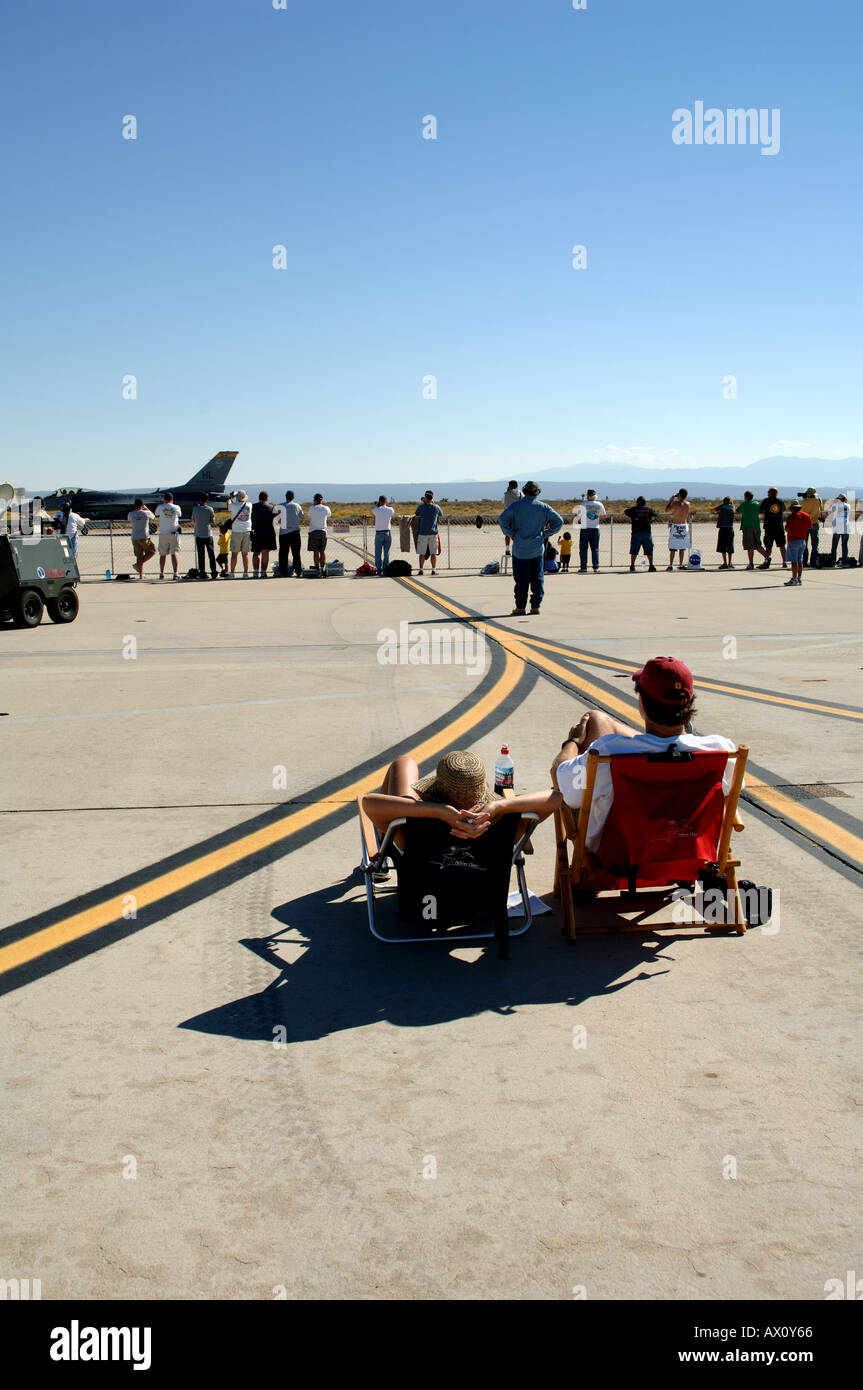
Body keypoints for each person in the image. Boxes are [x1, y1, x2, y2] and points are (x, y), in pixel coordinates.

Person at [550, 656, 738, 852]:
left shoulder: (609, 753)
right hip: (689, 852)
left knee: (584, 784)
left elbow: (562, 784)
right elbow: (730, 791)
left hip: (618, 856)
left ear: (642, 704)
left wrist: (572, 742)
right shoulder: (721, 750)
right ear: (689, 702)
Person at [362, 749, 559, 853]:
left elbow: (368, 802)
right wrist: (498, 806)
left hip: (423, 889)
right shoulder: (508, 828)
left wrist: (438, 811)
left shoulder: (406, 827)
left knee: (403, 762)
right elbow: (556, 797)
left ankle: (381, 851)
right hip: (481, 900)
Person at [499, 481, 563, 615]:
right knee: (537, 578)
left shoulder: (515, 506)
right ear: (537, 492)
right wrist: (546, 533)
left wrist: (511, 533)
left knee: (521, 579)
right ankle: (535, 606)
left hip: (520, 549)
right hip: (537, 549)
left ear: (524, 491)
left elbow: (502, 519)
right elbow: (559, 521)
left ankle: (520, 607)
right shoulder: (543, 507)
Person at [623, 496, 658, 572]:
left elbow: (625, 511)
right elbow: (655, 513)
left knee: (634, 550)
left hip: (636, 533)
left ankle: (632, 565)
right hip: (646, 533)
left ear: (637, 502)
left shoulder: (633, 510)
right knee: (649, 550)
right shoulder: (648, 510)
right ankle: (651, 565)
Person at [575, 489, 606, 572]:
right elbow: (603, 515)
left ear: (588, 496)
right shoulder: (599, 504)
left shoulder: (584, 504)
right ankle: (596, 567)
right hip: (595, 528)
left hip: (585, 528)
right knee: (595, 548)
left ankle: (583, 567)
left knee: (583, 548)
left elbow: (578, 515)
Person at [154, 491, 182, 581]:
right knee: (174, 553)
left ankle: (161, 573)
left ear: (164, 499)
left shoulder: (160, 507)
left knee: (162, 554)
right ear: (172, 499)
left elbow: (156, 514)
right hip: (174, 533)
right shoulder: (176, 507)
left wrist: (163, 505)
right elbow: (179, 515)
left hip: (163, 533)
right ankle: (175, 573)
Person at [414, 490, 443, 577]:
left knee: (422, 552)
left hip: (422, 532)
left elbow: (416, 514)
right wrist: (433, 503)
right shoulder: (436, 507)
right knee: (433, 553)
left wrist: (424, 503)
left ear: (425, 498)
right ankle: (433, 570)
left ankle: (421, 570)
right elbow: (441, 514)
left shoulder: (421, 507)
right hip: (433, 533)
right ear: (432, 498)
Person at [735, 490, 766, 570]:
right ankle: (767, 557)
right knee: (758, 545)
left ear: (745, 497)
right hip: (756, 526)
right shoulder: (756, 504)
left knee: (750, 546)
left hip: (747, 526)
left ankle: (751, 563)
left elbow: (737, 510)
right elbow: (761, 510)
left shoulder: (744, 504)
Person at [783, 501, 811, 587]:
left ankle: (794, 578)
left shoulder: (792, 517)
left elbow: (787, 528)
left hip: (793, 540)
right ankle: (799, 578)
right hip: (802, 540)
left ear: (793, 508)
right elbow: (809, 526)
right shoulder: (806, 515)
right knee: (800, 560)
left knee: (794, 561)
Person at [251, 491, 278, 578]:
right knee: (265, 553)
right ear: (266, 498)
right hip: (268, 532)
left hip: (256, 532)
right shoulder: (271, 507)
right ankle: (263, 572)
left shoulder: (253, 507)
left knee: (256, 553)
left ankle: (255, 572)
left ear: (259, 498)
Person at [128, 497, 156, 578]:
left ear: (134, 505)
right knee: (152, 551)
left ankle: (141, 573)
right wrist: (146, 508)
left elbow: (129, 519)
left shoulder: (131, 514)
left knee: (139, 556)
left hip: (134, 537)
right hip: (144, 537)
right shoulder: (146, 513)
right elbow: (154, 517)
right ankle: (138, 566)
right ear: (142, 505)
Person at [191, 492, 217, 580]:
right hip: (208, 533)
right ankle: (213, 571)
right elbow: (212, 521)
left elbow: (193, 519)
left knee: (201, 555)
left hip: (199, 533)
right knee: (211, 553)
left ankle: (202, 571)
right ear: (207, 500)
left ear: (200, 499)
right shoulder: (210, 509)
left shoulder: (195, 509)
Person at [758, 488, 786, 569]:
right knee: (782, 545)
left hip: (769, 526)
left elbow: (760, 510)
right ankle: (784, 562)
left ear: (770, 493)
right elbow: (783, 509)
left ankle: (767, 561)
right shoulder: (780, 501)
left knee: (768, 545)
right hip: (779, 526)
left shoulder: (766, 501)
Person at [278, 490, 304, 578]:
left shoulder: (281, 506)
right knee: (296, 553)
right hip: (295, 532)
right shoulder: (297, 505)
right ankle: (298, 570)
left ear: (286, 497)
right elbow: (301, 517)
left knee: (283, 553)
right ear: (293, 497)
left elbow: (276, 519)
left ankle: (283, 571)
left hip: (284, 532)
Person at [665, 489, 692, 570]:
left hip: (676, 525)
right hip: (684, 525)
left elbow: (667, 510)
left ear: (679, 495)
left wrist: (670, 501)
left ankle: (670, 565)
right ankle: (680, 564)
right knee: (682, 547)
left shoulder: (675, 504)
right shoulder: (688, 504)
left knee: (673, 547)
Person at [228, 490, 253, 577]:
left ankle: (232, 573)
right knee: (245, 553)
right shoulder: (249, 505)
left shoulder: (233, 506)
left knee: (234, 553)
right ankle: (246, 572)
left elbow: (228, 504)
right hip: (247, 530)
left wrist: (231, 497)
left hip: (236, 531)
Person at [308, 493, 331, 576]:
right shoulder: (326, 508)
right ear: (321, 500)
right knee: (322, 551)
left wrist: (314, 505)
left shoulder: (312, 508)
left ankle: (317, 568)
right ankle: (322, 568)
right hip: (323, 531)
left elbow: (309, 514)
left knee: (315, 552)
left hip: (314, 531)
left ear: (315, 500)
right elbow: (329, 514)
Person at [799, 488, 822, 568]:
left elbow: (801, 512)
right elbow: (816, 511)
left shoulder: (803, 502)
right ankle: (814, 561)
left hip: (805, 524)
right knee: (815, 544)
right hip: (814, 523)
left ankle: (804, 561)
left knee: (804, 543)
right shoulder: (817, 501)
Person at [826, 494, 851, 566]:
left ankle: (832, 562)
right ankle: (844, 562)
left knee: (834, 546)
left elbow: (829, 512)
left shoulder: (835, 505)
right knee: (844, 546)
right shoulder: (848, 506)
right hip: (845, 528)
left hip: (837, 528)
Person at [373, 494, 395, 575]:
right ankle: (385, 570)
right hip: (387, 532)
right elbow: (392, 512)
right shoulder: (390, 509)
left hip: (379, 533)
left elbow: (375, 512)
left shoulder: (375, 509)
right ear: (386, 501)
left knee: (378, 553)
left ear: (379, 501)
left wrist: (378, 505)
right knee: (386, 552)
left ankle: (379, 570)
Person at [713, 496, 736, 568]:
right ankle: (730, 562)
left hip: (723, 528)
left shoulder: (722, 507)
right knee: (730, 546)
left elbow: (713, 510)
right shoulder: (732, 507)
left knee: (722, 546)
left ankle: (725, 563)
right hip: (730, 528)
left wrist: (719, 513)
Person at [502, 482, 522, 551]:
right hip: (518, 516)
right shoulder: (520, 493)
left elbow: (504, 502)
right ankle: (518, 547)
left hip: (509, 516)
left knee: (508, 533)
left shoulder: (507, 494)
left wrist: (507, 492)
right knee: (517, 533)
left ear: (510, 486)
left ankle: (507, 549)